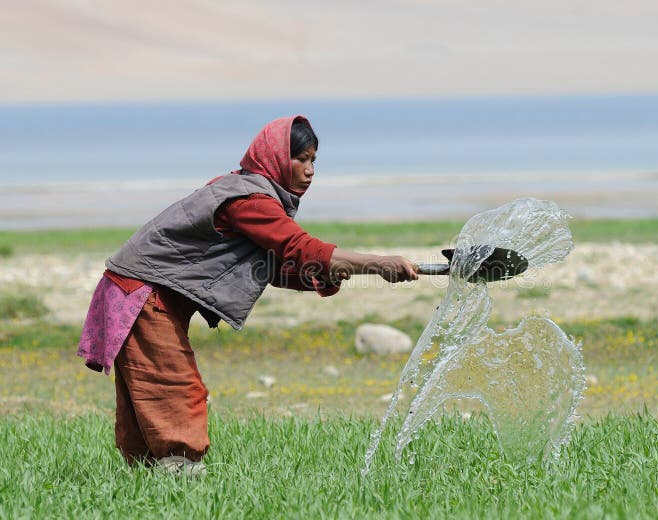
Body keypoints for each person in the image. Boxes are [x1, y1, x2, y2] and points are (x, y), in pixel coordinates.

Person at [77, 115, 418, 476]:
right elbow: (299, 248)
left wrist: (329, 272)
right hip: (141, 292)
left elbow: (270, 266)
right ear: (276, 157)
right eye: (300, 158)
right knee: (172, 386)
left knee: (147, 389)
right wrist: (379, 263)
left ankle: (148, 477)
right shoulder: (248, 199)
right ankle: (181, 475)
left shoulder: (249, 192)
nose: (310, 170)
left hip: (136, 289)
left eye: (314, 160)